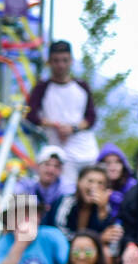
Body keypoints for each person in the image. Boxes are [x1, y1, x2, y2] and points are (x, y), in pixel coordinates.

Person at [26, 40, 98, 187]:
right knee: (67, 194)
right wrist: (55, 125)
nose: (60, 65)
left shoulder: (81, 86)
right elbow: (30, 116)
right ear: (49, 62)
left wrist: (72, 128)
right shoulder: (42, 88)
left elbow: (91, 118)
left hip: (88, 151)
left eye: (65, 60)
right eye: (56, 61)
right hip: (61, 155)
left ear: (71, 61)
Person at [49, 165, 120, 249]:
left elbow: (110, 233)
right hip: (61, 247)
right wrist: (97, 239)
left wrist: (102, 211)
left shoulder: (105, 207)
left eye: (100, 183)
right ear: (79, 182)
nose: (94, 186)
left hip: (89, 251)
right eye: (90, 181)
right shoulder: (66, 201)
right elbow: (60, 231)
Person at [18, 145, 70, 218]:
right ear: (38, 166)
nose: (51, 170)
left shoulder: (67, 190)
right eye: (47, 164)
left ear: (61, 170)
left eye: (56, 166)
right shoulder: (26, 185)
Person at [98, 142, 137, 224]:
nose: (113, 167)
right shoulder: (96, 188)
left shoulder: (133, 186)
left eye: (117, 162)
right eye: (107, 163)